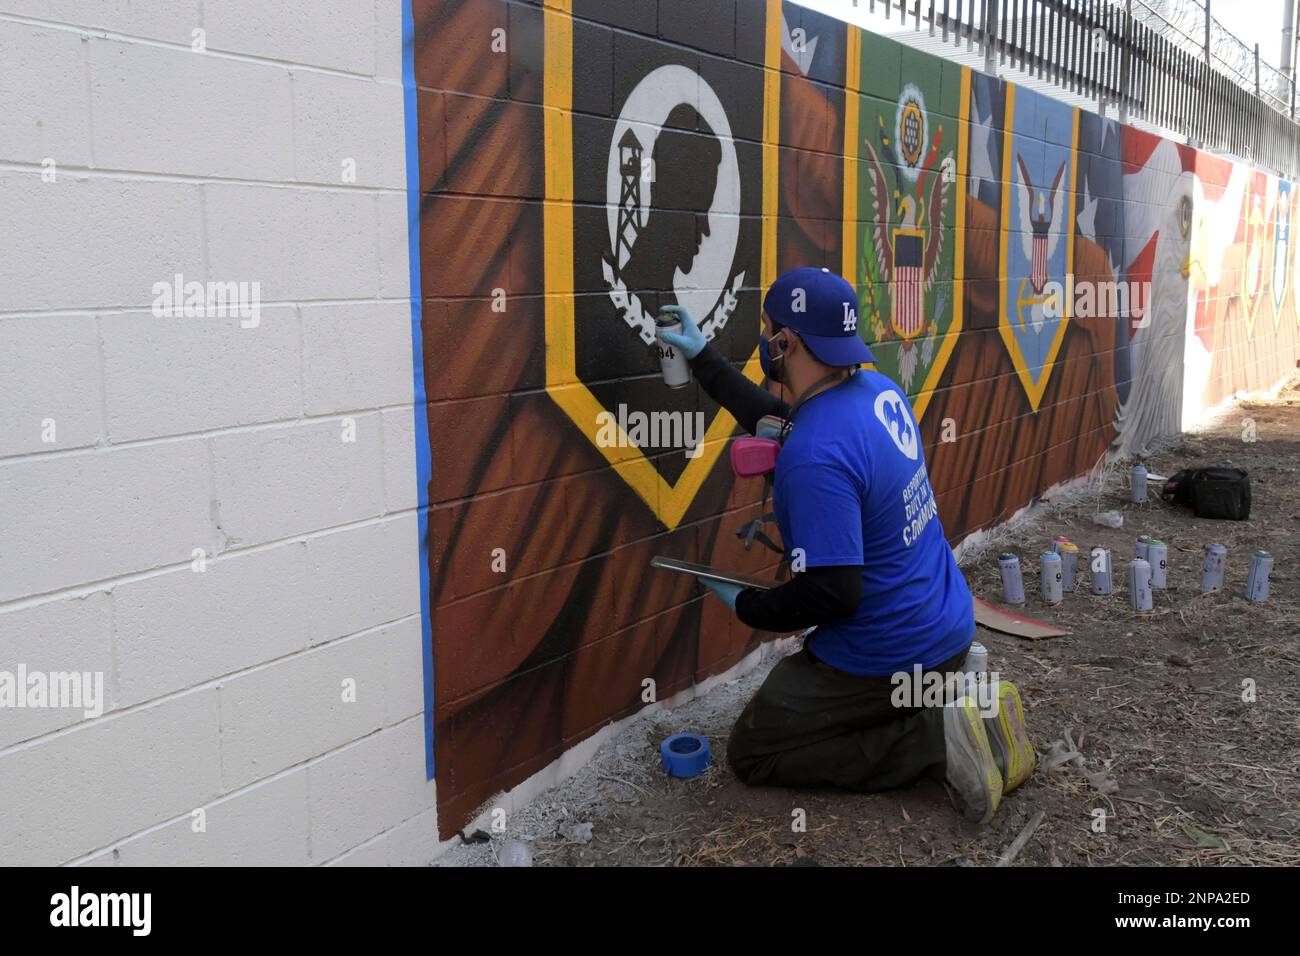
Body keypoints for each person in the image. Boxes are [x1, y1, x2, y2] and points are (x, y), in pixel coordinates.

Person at [659, 267, 1035, 823]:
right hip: (947, 627)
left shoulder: (813, 455)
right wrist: (705, 360)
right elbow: (785, 421)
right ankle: (952, 708)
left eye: (769, 331)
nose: (764, 342)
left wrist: (748, 606)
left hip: (890, 651)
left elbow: (833, 595)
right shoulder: (877, 392)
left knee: (756, 749)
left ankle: (936, 738)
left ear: (787, 342)